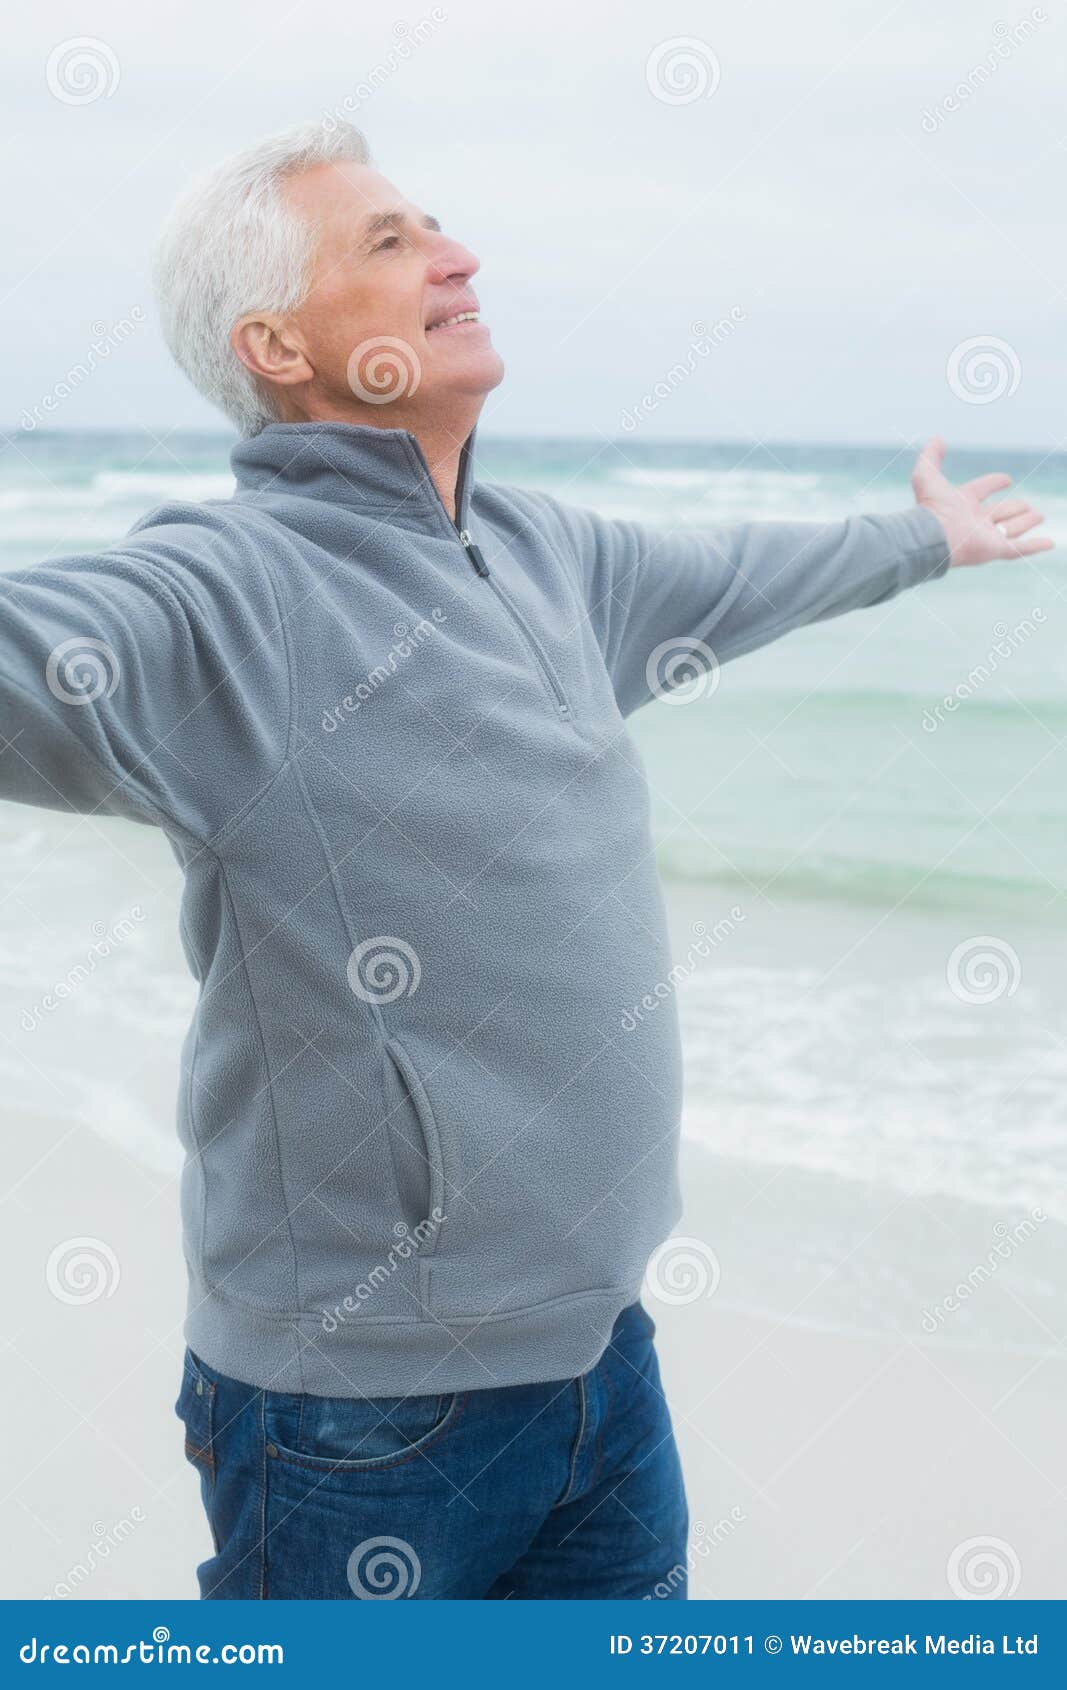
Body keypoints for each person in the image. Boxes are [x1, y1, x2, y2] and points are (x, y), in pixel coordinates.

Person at [0, 121, 1051, 1600]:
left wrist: (922, 539)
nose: (456, 254)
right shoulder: (233, 597)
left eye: (433, 222)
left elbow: (742, 571)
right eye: (387, 241)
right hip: (357, 1418)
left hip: (605, 1367)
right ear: (279, 347)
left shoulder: (545, 552)